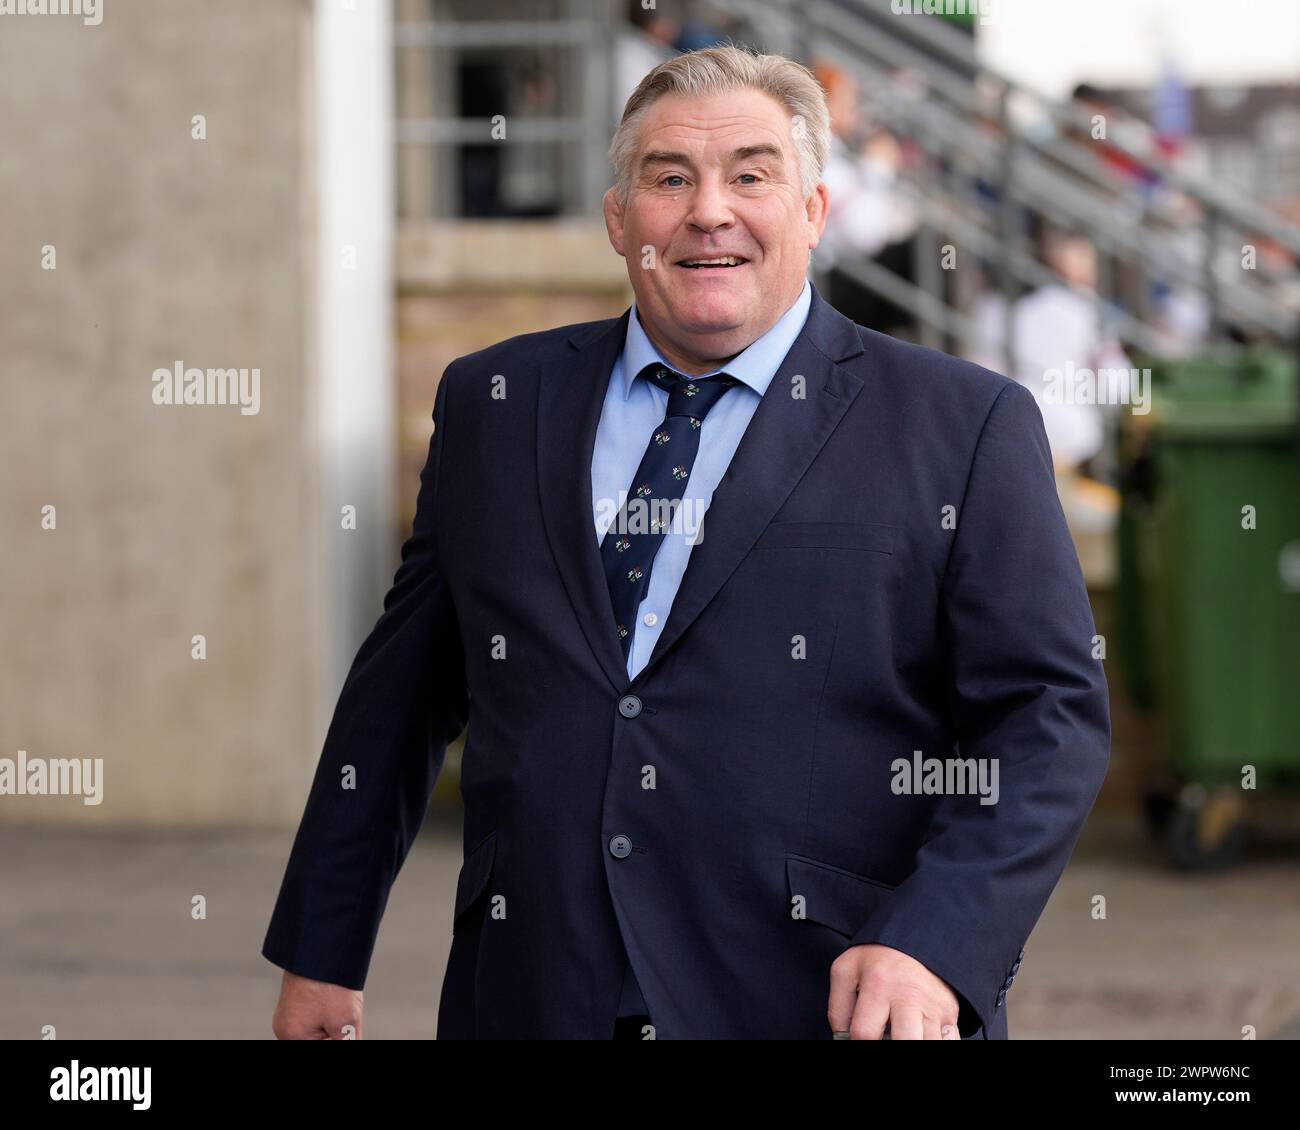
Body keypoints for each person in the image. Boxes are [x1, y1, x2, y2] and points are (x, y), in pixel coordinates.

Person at [263, 44, 1110, 1041]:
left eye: (751, 174)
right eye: (670, 178)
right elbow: (396, 701)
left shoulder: (961, 424)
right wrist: (324, 944)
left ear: (812, 212)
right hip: (532, 990)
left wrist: (940, 939)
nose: (709, 210)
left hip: (822, 999)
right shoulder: (495, 402)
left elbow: (1045, 719)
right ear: (621, 220)